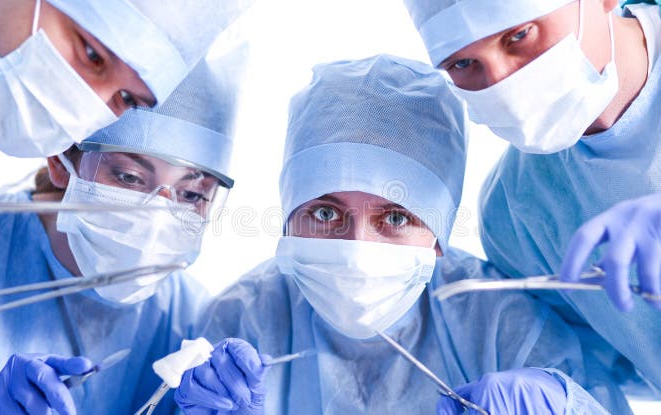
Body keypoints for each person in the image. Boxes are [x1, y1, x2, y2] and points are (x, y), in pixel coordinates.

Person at [172, 55, 629, 415]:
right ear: (289, 218)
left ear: (438, 234)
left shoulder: (499, 323)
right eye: (326, 212)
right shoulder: (243, 322)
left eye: (394, 219)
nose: (356, 251)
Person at [404, 0, 661, 412]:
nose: (501, 82)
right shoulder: (517, 214)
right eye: (463, 64)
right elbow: (618, 376)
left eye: (518, 35)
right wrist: (562, 399)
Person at [0, 49, 243, 414]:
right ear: (60, 159)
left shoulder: (190, 319)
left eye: (191, 194)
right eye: (129, 177)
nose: (158, 215)